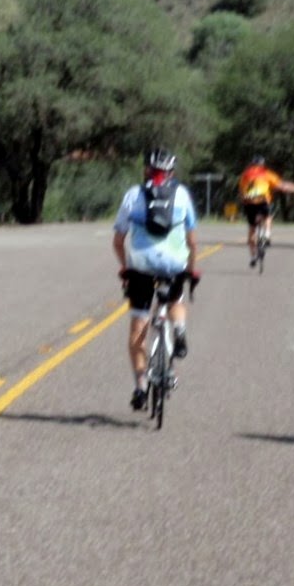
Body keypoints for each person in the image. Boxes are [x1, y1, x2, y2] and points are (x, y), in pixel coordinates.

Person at [112, 148, 200, 412]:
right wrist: (191, 270)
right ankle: (180, 330)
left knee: (138, 327)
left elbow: (118, 241)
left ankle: (140, 387)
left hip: (141, 266)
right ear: (171, 173)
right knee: (175, 296)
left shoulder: (133, 195)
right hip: (173, 264)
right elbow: (192, 241)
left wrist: (126, 267)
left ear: (146, 170)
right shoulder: (182, 195)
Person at [236, 155, 294, 267]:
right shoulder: (266, 174)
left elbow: (241, 191)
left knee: (252, 229)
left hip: (248, 202)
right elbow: (283, 186)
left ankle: (253, 257)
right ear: (262, 165)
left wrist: (244, 201)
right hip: (262, 200)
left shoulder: (244, 175)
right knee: (268, 217)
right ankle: (267, 236)